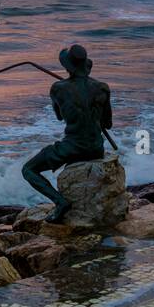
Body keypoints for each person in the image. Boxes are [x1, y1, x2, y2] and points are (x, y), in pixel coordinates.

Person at [20, 44, 113, 223]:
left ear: (67, 67)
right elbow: (107, 124)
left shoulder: (58, 88)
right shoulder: (102, 88)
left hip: (73, 148)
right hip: (96, 148)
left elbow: (59, 117)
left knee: (28, 169)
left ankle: (60, 202)